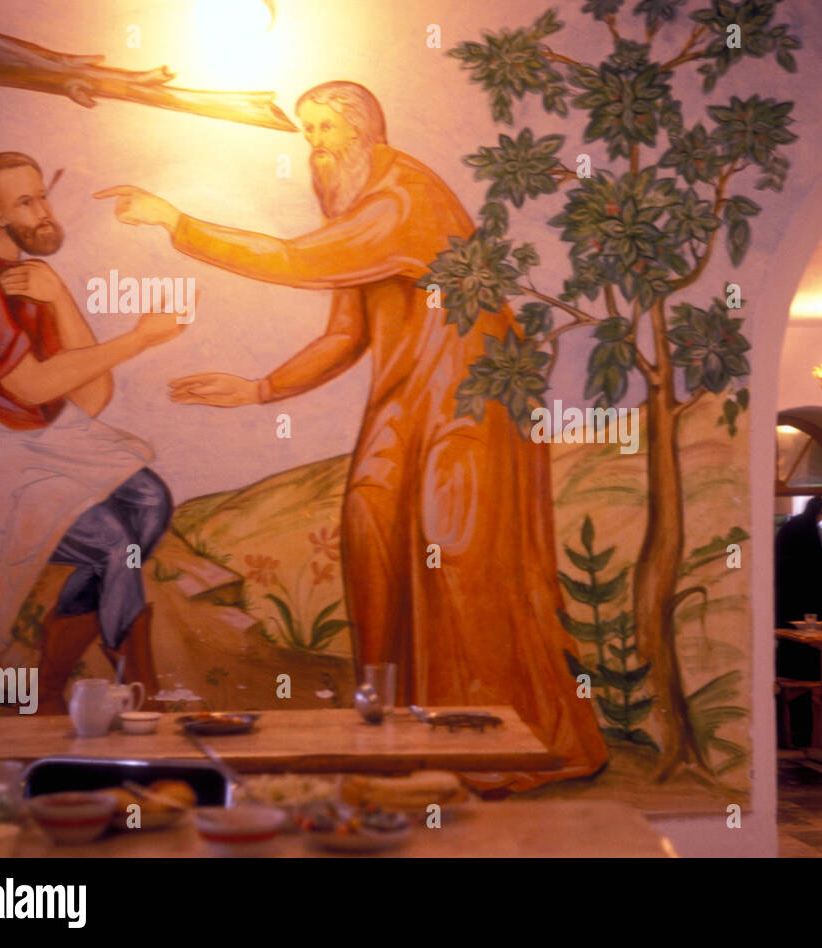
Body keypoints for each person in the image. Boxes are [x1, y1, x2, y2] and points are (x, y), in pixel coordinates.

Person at [95, 81, 607, 793]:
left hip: (470, 395)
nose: (316, 144)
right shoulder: (360, 213)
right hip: (405, 398)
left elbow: (295, 259)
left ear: (365, 129)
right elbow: (345, 335)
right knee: (368, 524)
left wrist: (178, 222)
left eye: (326, 127)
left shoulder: (402, 197)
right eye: (306, 130)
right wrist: (262, 388)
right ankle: (399, 728)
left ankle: (494, 738)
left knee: (454, 548)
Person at [0, 152, 184, 713]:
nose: (45, 211)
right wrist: (138, 339)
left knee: (149, 500)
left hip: (30, 442)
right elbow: (30, 387)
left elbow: (89, 397)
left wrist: (60, 297)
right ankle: (140, 692)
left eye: (42, 195)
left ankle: (48, 684)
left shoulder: (31, 276)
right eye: (26, 203)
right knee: (113, 544)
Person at [775, 495, 822, 626]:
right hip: (800, 593)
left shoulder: (792, 525)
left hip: (784, 593)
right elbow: (818, 566)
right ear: (818, 512)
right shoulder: (809, 529)